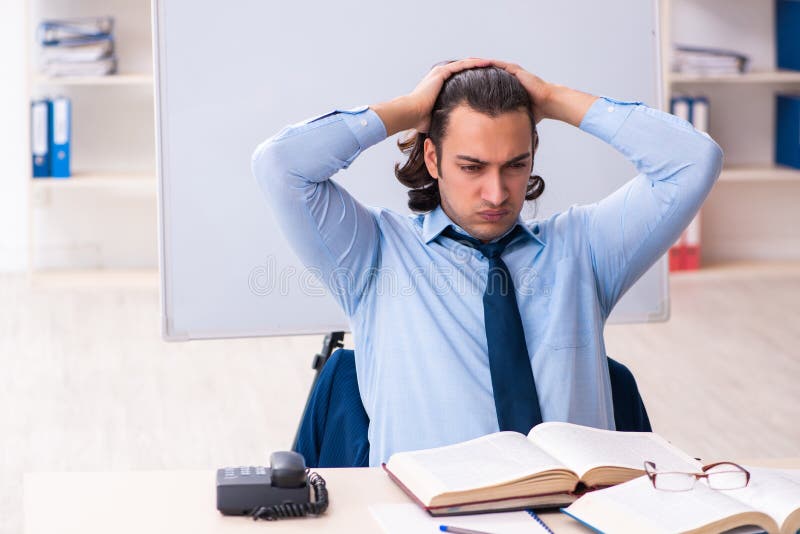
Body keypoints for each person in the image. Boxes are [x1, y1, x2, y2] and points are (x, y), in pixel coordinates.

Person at [251, 57, 723, 467]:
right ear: (433, 158)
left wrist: (554, 100)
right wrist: (410, 109)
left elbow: (694, 160)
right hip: (431, 518)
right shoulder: (374, 253)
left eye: (515, 165)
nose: (497, 194)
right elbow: (281, 165)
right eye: (472, 167)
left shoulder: (585, 248)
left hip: (573, 516)